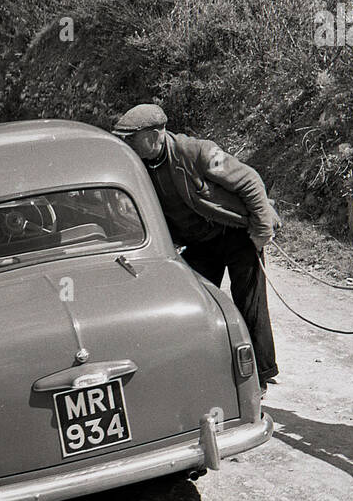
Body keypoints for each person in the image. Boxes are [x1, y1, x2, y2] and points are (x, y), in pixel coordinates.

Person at [112, 102, 280, 391]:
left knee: (249, 305)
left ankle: (260, 376)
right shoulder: (140, 168)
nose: (125, 143)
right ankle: (207, 370)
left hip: (235, 234)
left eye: (130, 137)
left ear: (154, 135)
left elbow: (250, 181)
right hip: (198, 244)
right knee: (194, 305)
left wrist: (262, 229)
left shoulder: (197, 152)